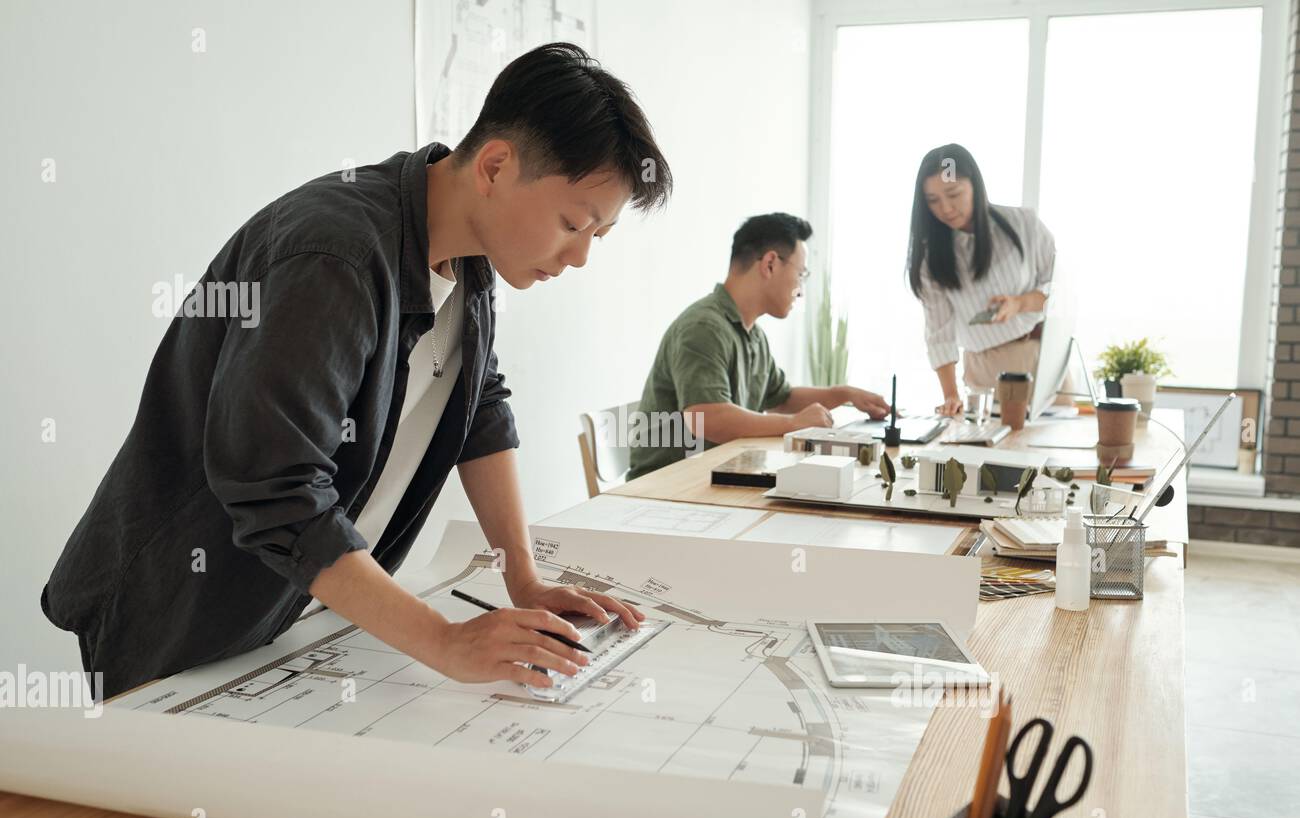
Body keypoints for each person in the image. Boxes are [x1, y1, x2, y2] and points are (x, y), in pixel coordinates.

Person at [41, 43, 670, 700]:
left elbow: (478, 404)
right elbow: (276, 495)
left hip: (294, 617)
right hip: (181, 616)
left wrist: (525, 578)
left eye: (598, 237)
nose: (578, 258)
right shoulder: (334, 254)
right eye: (574, 224)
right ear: (494, 166)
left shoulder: (472, 259)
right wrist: (446, 643)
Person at [626, 213, 889, 480]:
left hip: (716, 477)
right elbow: (706, 417)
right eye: (801, 275)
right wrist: (793, 424)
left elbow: (782, 397)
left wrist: (844, 394)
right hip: (667, 487)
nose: (801, 290)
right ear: (770, 264)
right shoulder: (704, 327)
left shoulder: (753, 335)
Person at [907, 144, 1057, 416]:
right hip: (986, 371)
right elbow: (939, 332)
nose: (946, 208)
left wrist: (1020, 303)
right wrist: (951, 395)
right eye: (933, 200)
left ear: (974, 185)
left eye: (953, 194)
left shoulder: (1024, 223)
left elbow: (1059, 289)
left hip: (1043, 358)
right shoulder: (932, 258)